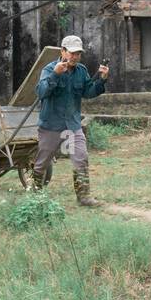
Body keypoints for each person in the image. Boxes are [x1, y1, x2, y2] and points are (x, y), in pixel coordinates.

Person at [31, 35, 109, 206]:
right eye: (72, 53)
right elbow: (41, 93)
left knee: (81, 158)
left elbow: (88, 92)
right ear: (63, 52)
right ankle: (35, 195)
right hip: (51, 125)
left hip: (72, 124)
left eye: (78, 54)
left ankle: (84, 197)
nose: (74, 57)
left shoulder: (81, 71)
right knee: (41, 163)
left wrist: (102, 80)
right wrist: (55, 75)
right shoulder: (50, 69)